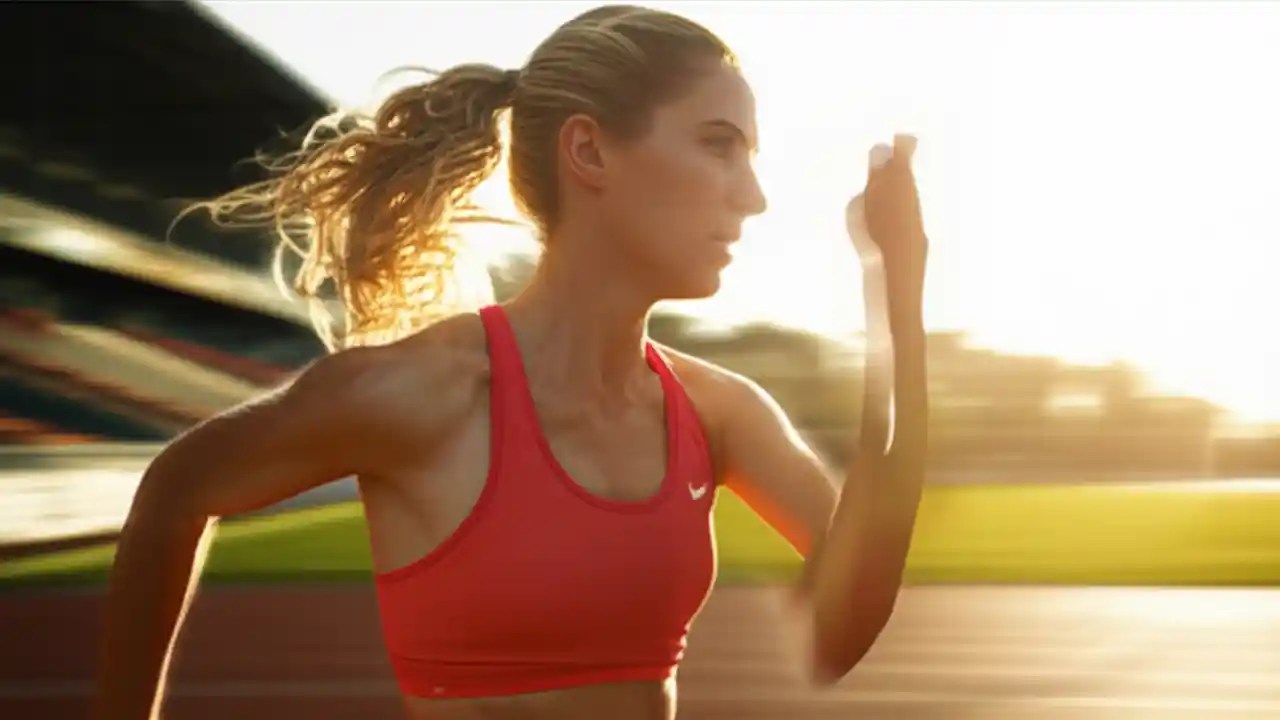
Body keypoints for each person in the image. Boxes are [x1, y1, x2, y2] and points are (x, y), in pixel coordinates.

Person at [91, 4, 929, 720]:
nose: (752, 194)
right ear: (589, 153)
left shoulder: (716, 412)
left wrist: (896, 299)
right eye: (719, 145)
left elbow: (843, 627)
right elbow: (178, 489)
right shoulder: (425, 392)